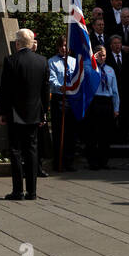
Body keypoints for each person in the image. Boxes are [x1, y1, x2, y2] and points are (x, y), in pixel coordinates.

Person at [0, 29, 49, 200]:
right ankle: (32, 191)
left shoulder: (11, 60)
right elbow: (45, 91)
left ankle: (18, 190)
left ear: (17, 43)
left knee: (16, 151)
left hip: (15, 113)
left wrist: (2, 112)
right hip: (35, 113)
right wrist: (44, 114)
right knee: (32, 151)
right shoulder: (42, 61)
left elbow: (4, 90)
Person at [84, 45, 120, 170]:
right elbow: (87, 77)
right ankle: (92, 161)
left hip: (107, 102)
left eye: (103, 55)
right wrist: (92, 60)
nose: (102, 57)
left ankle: (103, 161)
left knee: (105, 134)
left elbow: (115, 90)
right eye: (99, 55)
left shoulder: (110, 70)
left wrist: (116, 108)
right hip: (95, 102)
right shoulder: (90, 68)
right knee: (93, 133)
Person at [47, 39, 78, 172]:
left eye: (66, 46)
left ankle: (69, 161)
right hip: (59, 98)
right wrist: (60, 87)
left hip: (72, 98)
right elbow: (51, 79)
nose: (64, 48)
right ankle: (58, 161)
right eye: (61, 46)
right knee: (59, 131)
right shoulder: (52, 61)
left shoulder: (74, 61)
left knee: (71, 131)